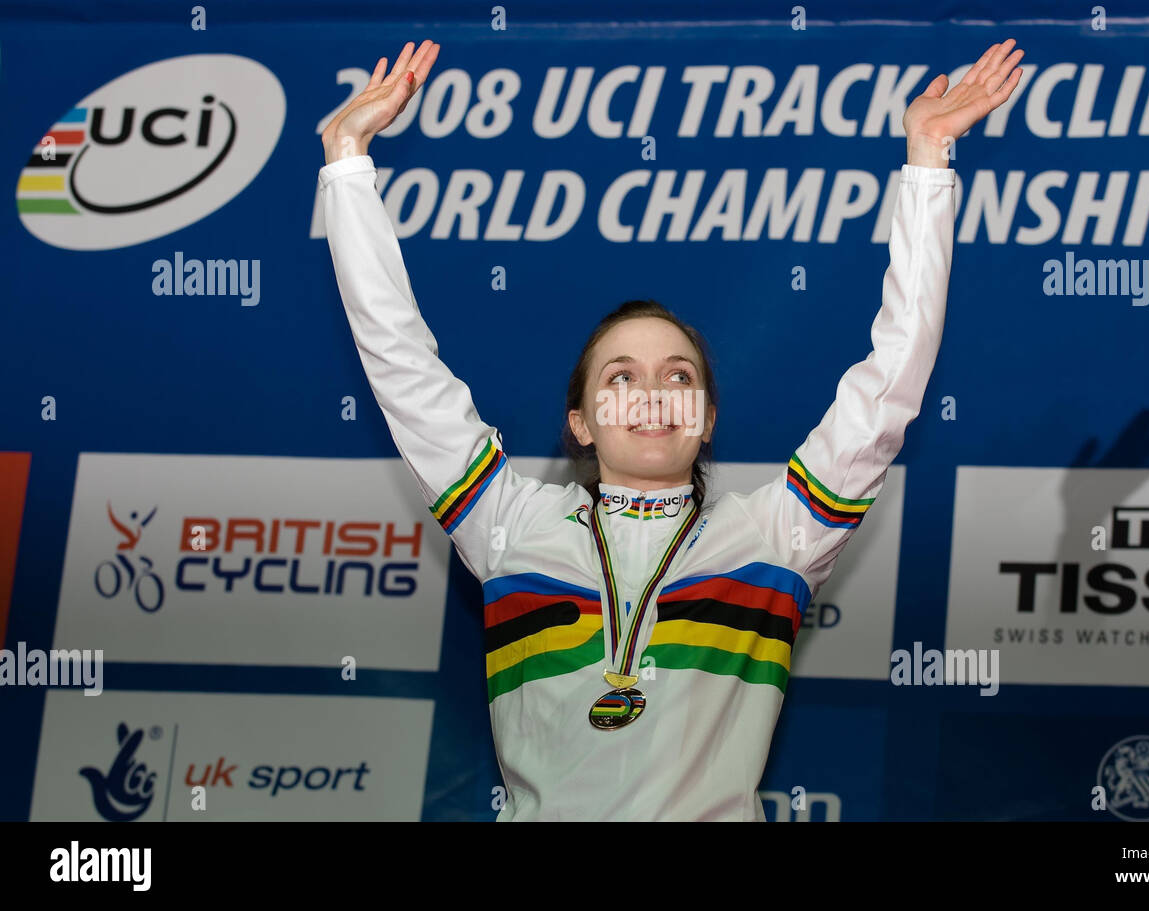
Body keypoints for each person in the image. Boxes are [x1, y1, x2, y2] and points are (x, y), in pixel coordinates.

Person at [318, 39, 1025, 821]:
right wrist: (347, 163)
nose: (652, 394)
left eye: (678, 376)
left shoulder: (779, 536)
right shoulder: (509, 524)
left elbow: (892, 377)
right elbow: (399, 359)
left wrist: (928, 159)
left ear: (707, 419)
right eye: (621, 376)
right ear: (580, 423)